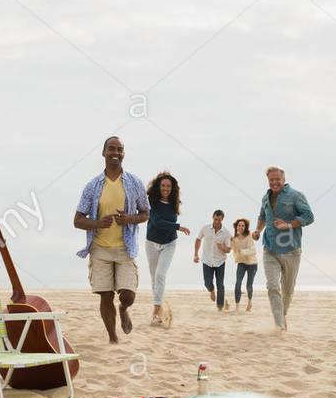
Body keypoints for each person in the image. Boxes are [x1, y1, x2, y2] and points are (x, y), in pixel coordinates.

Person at [74, 136, 150, 343]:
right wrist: (98, 223)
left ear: (123, 154)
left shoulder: (134, 183)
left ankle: (124, 309)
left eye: (120, 149)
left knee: (128, 294)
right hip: (100, 248)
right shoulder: (92, 185)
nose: (116, 153)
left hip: (126, 248)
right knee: (105, 296)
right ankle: (113, 338)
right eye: (112, 149)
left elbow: (146, 213)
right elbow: (78, 220)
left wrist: (130, 219)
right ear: (104, 152)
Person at [253, 166, 314, 331]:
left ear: (283, 179)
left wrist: (288, 224)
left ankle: (283, 315)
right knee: (272, 286)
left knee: (287, 290)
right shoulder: (265, 198)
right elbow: (262, 216)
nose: (274, 183)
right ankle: (279, 325)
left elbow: (309, 217)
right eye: (271, 180)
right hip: (270, 248)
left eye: (277, 179)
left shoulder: (295, 195)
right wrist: (258, 230)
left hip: (291, 250)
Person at [145, 172, 190, 328]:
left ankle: (156, 311)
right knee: (154, 278)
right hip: (151, 243)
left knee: (160, 274)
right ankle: (160, 306)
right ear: (159, 187)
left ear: (173, 188)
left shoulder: (174, 203)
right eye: (163, 185)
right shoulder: (152, 202)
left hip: (169, 243)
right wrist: (178, 227)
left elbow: (166, 222)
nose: (165, 188)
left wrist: (175, 228)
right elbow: (156, 222)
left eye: (168, 186)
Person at [193, 209, 232, 312]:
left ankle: (220, 307)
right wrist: (196, 254)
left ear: (222, 219)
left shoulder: (226, 233)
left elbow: (228, 249)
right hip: (207, 260)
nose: (217, 222)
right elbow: (198, 239)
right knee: (207, 283)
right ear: (212, 217)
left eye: (219, 220)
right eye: (215, 219)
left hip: (220, 261)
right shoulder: (205, 228)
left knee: (220, 284)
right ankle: (211, 290)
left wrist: (222, 248)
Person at [230, 217, 257, 311]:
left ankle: (249, 302)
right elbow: (234, 251)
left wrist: (242, 251)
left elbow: (253, 250)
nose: (241, 227)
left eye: (243, 225)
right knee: (238, 283)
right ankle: (237, 306)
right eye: (239, 225)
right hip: (241, 263)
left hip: (252, 263)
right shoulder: (235, 238)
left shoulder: (249, 236)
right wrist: (231, 242)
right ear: (236, 227)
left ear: (245, 227)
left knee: (249, 285)